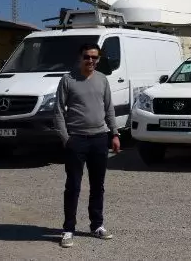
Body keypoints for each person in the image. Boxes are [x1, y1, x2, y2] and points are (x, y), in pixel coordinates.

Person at [53, 42, 120, 248]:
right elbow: (58, 112)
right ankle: (68, 229)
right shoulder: (68, 80)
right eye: (86, 57)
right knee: (73, 186)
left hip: (100, 139)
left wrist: (115, 134)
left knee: (97, 186)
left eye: (94, 57)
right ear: (79, 57)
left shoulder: (102, 80)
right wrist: (66, 139)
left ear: (98, 60)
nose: (90, 60)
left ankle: (97, 225)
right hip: (77, 140)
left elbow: (109, 109)